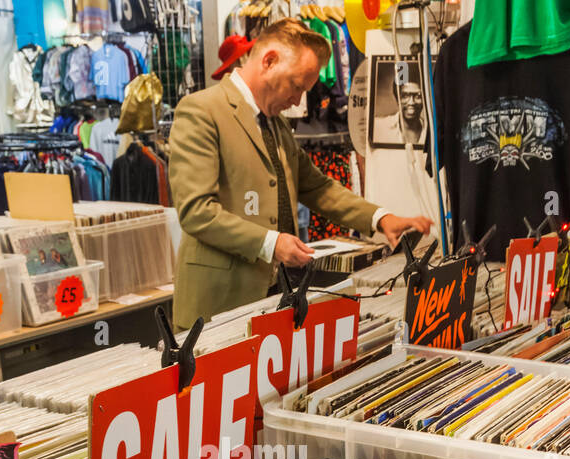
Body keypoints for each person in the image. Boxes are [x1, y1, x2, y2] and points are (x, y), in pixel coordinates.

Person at [169, 18, 434, 327]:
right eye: (296, 86)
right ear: (269, 61)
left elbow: (316, 186)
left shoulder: (277, 123)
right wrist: (271, 242)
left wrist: (380, 218)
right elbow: (196, 211)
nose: (298, 101)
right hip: (217, 305)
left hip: (272, 297)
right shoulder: (201, 111)